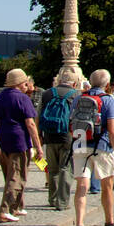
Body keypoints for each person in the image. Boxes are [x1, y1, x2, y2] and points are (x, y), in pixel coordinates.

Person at [70, 69, 114, 226]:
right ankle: (109, 221)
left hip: (80, 144)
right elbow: (113, 129)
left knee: (81, 187)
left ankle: (79, 225)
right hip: (101, 145)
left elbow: (71, 121)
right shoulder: (108, 100)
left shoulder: (79, 98)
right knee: (106, 186)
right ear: (107, 85)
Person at [0, 68, 43, 223]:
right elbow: (30, 124)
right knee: (17, 176)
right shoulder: (22, 98)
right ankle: (5, 210)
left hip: (3, 139)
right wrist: (38, 147)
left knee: (8, 175)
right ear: (21, 83)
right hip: (19, 140)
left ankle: (17, 207)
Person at [37, 72, 79, 210]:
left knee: (52, 169)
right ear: (74, 83)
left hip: (49, 135)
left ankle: (52, 198)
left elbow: (38, 116)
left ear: (59, 81)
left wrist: (39, 135)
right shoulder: (76, 95)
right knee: (66, 168)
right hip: (67, 136)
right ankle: (62, 202)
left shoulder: (47, 94)